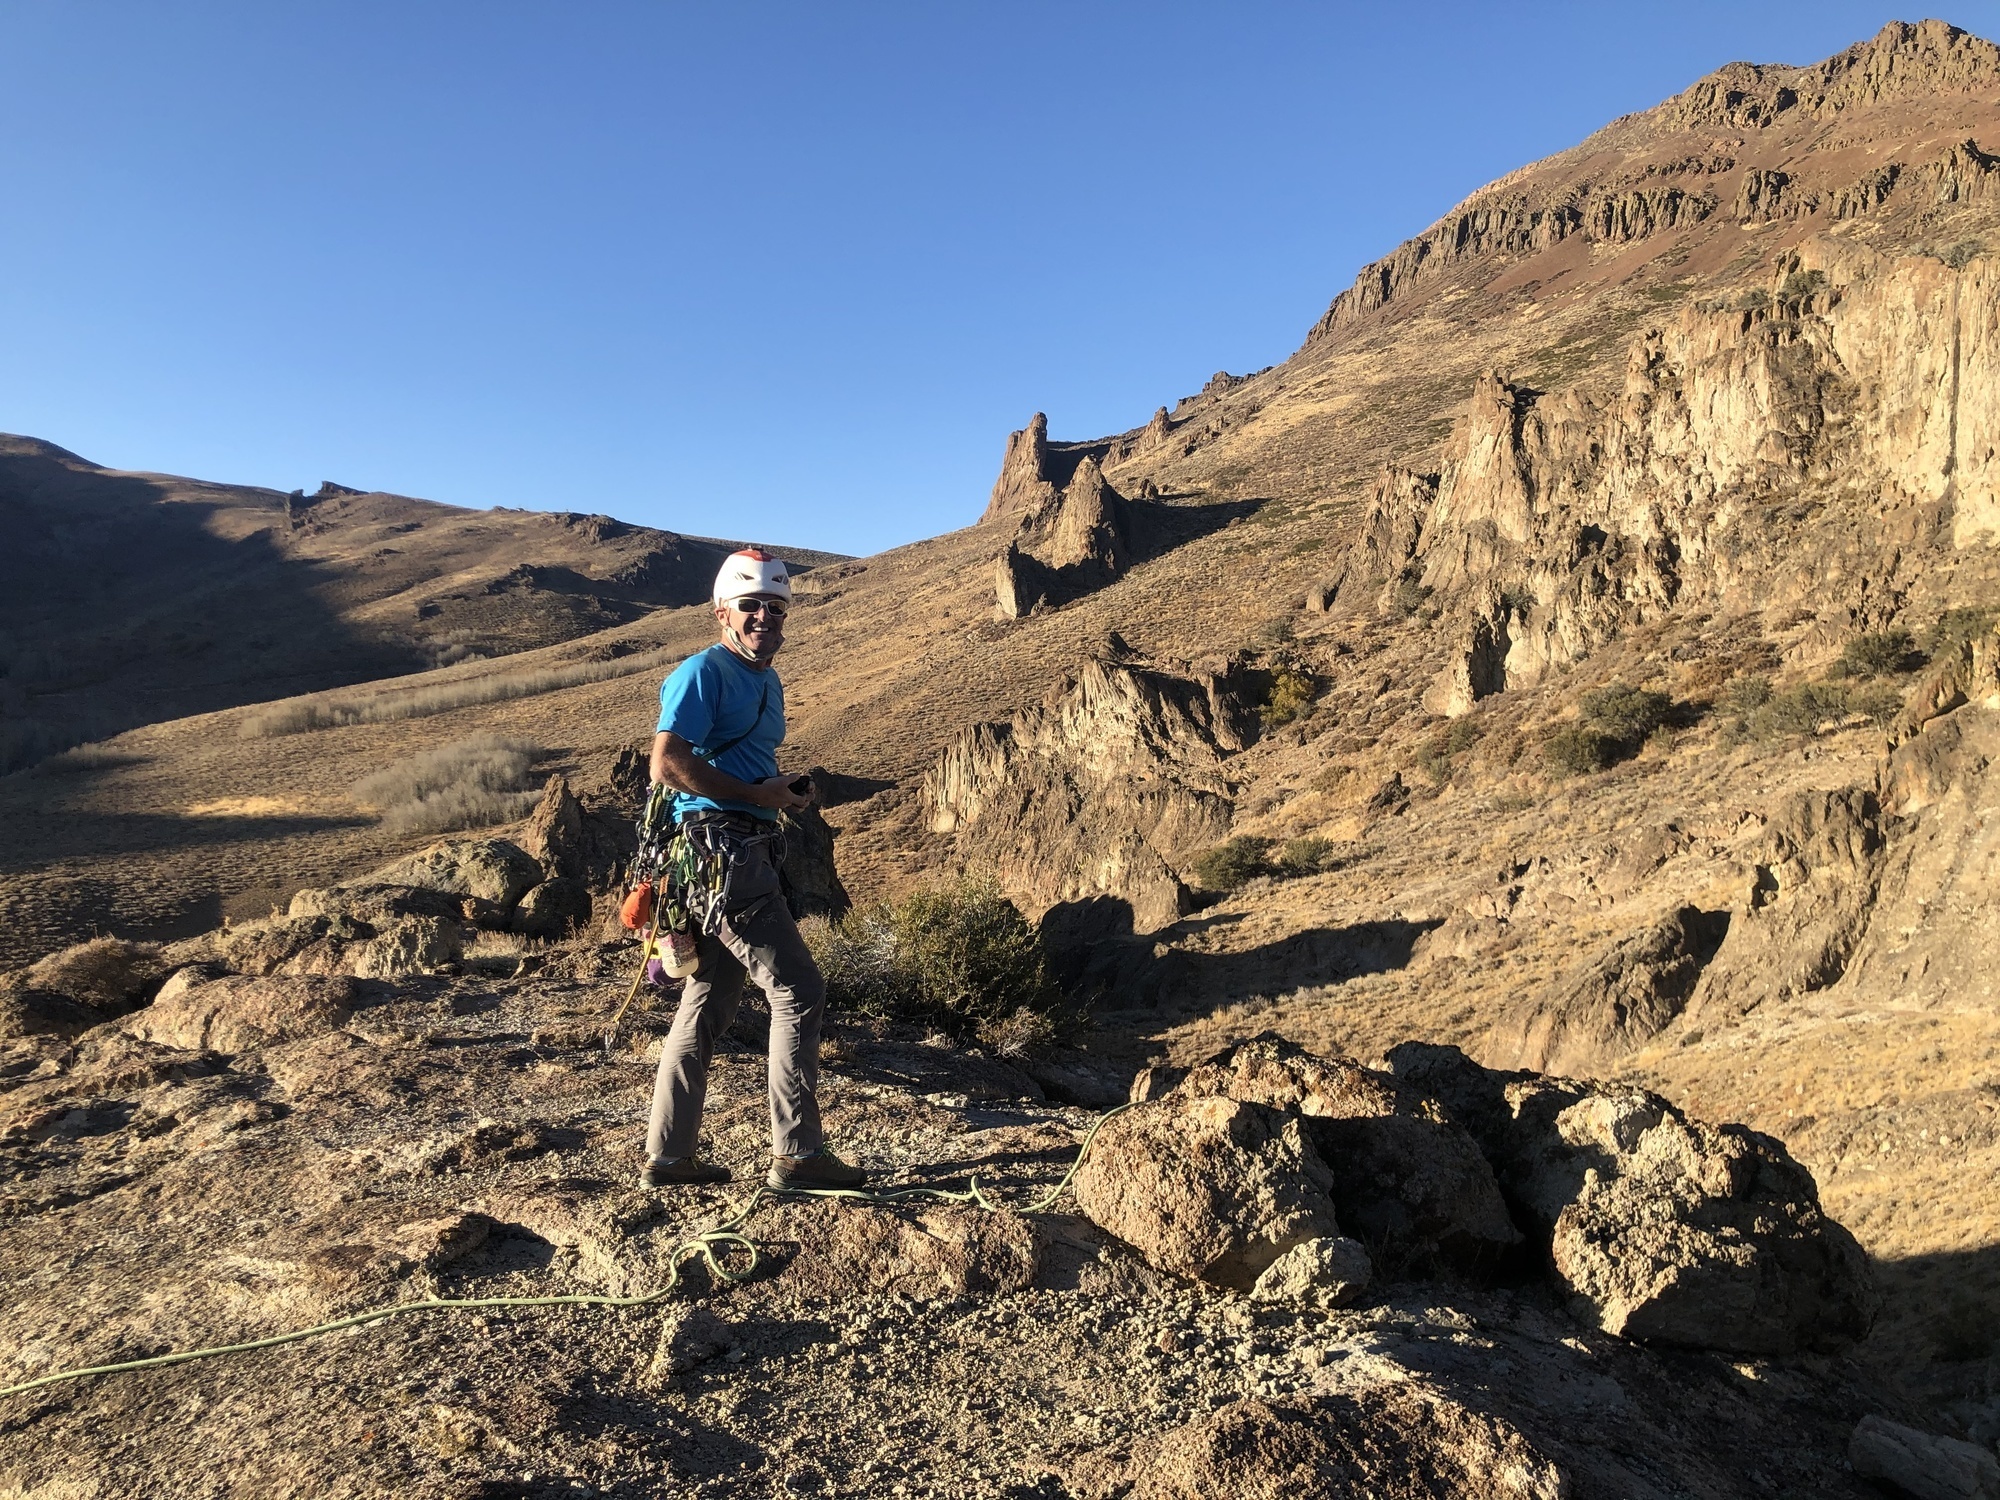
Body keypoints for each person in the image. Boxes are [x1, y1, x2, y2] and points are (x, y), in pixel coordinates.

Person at [639, 548, 868, 1191]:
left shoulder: (766, 680)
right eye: (751, 606)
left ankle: (669, 1156)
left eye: (776, 606)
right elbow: (667, 764)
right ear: (723, 614)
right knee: (797, 988)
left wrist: (779, 789)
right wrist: (758, 797)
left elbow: (736, 763)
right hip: (721, 850)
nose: (765, 616)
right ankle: (797, 1155)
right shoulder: (701, 673)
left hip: (739, 843)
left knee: (709, 997)